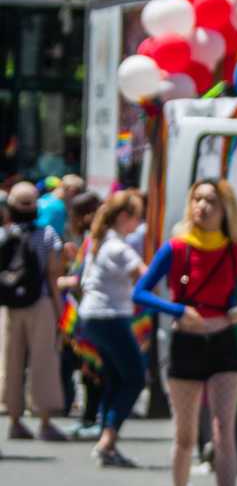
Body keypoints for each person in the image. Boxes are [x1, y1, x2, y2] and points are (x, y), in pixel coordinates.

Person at [134, 178, 237, 486]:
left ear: (224, 210)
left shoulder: (235, 252)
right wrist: (180, 309)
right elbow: (141, 292)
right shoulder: (177, 248)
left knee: (223, 432)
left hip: (224, 345)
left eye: (210, 201)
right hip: (186, 342)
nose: (202, 206)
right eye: (197, 199)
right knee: (184, 436)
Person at [76, 191, 148, 468]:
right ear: (123, 217)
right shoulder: (119, 247)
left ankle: (108, 441)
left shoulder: (100, 242)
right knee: (134, 379)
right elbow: (145, 275)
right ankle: (107, 439)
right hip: (110, 316)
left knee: (116, 378)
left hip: (93, 317)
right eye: (136, 217)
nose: (139, 223)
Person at [2, 182, 67, 441]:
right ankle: (45, 420)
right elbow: (54, 275)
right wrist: (59, 310)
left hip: (8, 306)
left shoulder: (3, 235)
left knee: (10, 361)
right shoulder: (48, 234)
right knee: (43, 361)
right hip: (39, 303)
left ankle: (14, 419)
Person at [58, 191, 103, 427]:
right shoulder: (91, 239)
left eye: (72, 216)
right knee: (88, 365)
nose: (70, 222)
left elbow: (83, 280)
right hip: (83, 314)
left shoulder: (95, 240)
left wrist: (60, 281)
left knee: (90, 365)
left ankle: (90, 415)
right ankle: (89, 414)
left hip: (89, 314)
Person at [36, 174, 83, 238]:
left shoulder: (43, 199)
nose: (77, 196)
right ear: (71, 190)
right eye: (77, 192)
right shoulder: (57, 207)